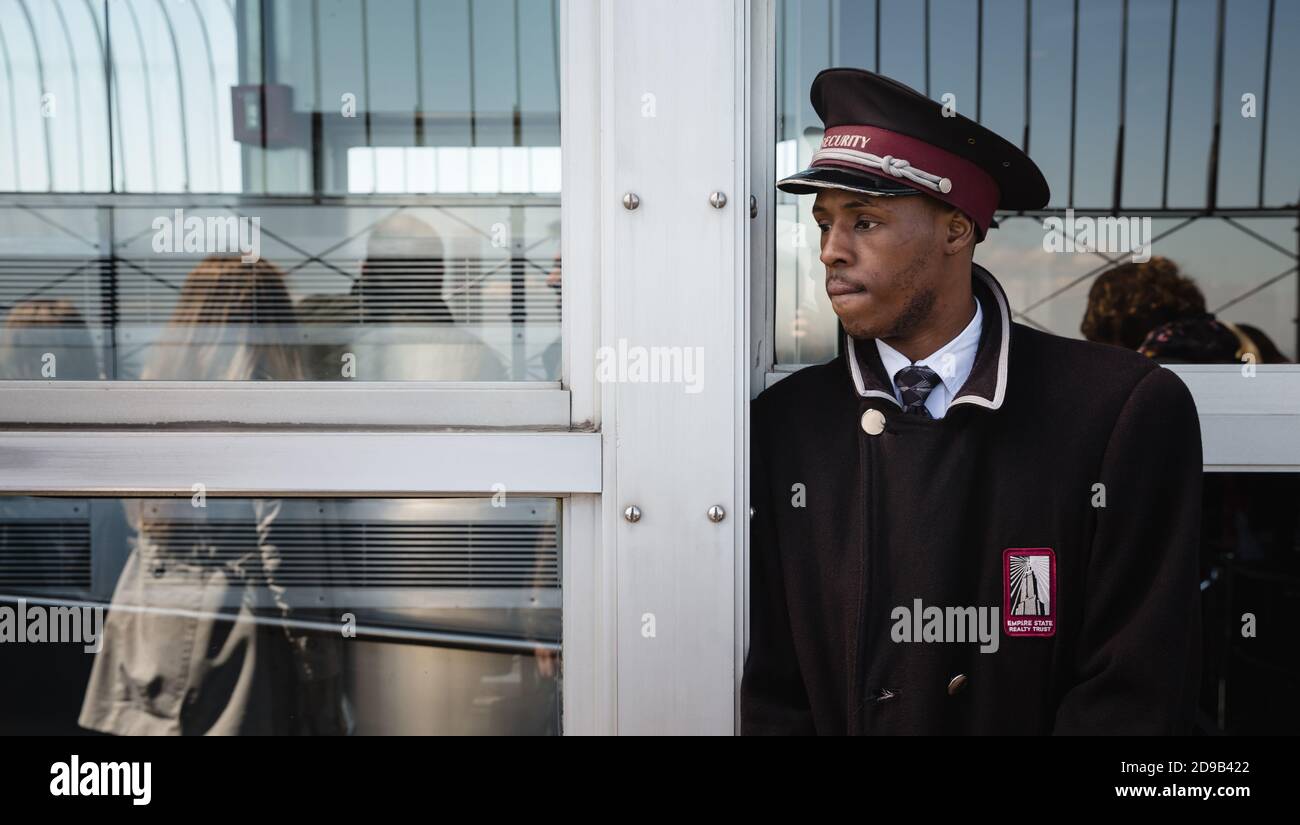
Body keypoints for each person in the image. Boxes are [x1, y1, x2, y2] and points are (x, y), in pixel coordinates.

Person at [742, 68, 1203, 735]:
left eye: (864, 220)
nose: (830, 252)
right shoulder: (785, 427)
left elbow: (1135, 696)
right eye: (823, 223)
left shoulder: (1118, 412)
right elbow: (775, 694)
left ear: (957, 231)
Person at [79, 256, 350, 735]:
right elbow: (285, 553)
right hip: (231, 640)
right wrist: (319, 668)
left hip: (147, 614)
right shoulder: (267, 407)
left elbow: (133, 514)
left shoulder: (153, 396)